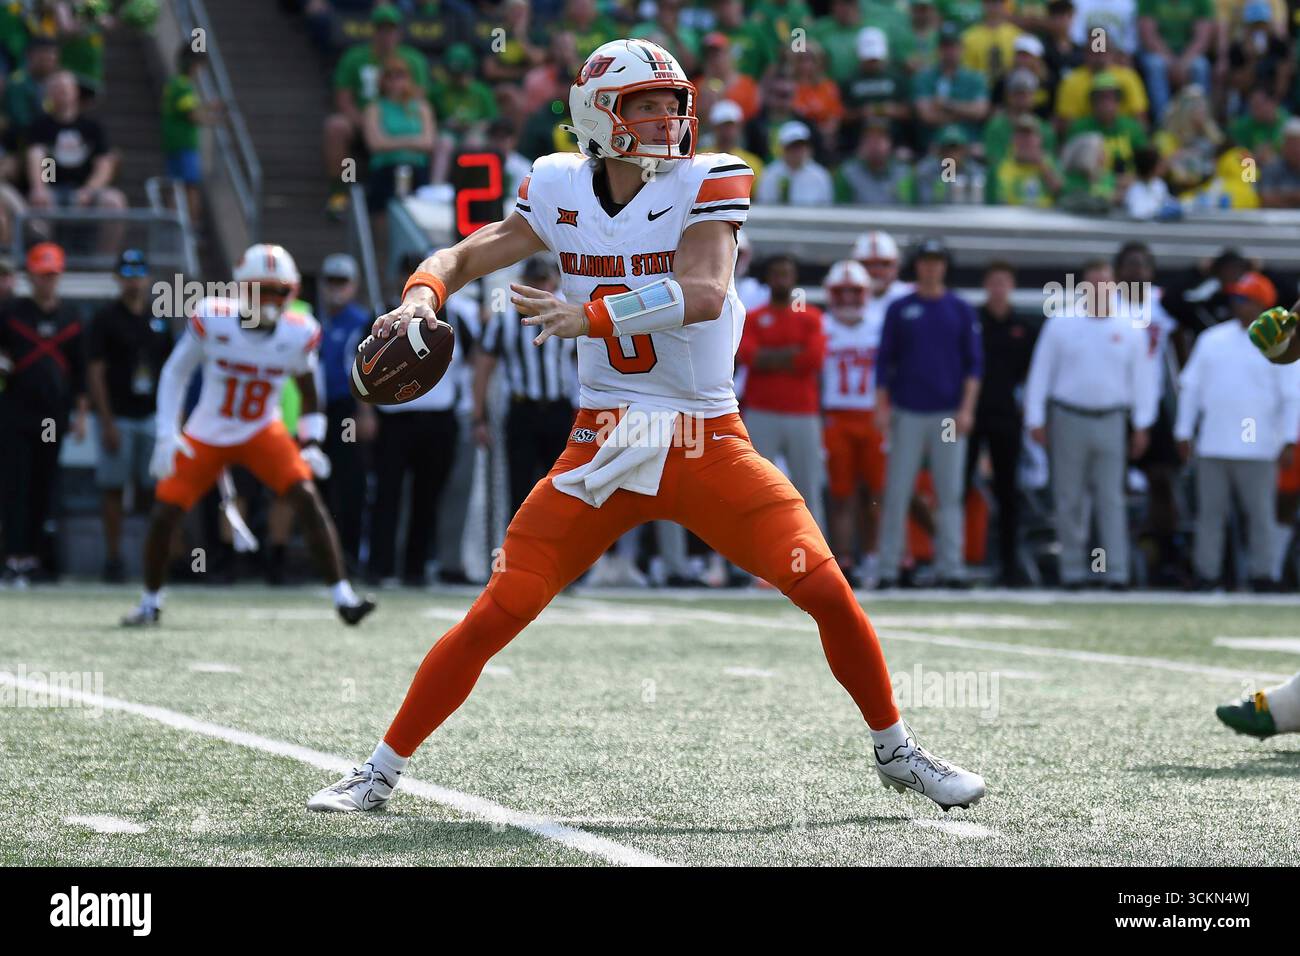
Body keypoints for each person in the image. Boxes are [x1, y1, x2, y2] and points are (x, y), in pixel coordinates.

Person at [307, 38, 985, 815]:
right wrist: (422, 296)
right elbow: (466, 255)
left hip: (705, 437)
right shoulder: (559, 184)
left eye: (675, 103)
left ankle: (896, 751)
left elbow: (703, 290)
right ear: (600, 114)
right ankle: (380, 772)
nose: (670, 118)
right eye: (649, 105)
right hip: (604, 442)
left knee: (825, 588)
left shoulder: (710, 178)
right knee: (504, 604)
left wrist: (590, 314)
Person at [121, 244, 375, 627]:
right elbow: (175, 373)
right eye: (262, 290)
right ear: (242, 288)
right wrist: (165, 433)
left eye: (279, 291)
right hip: (207, 431)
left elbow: (309, 391)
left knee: (306, 497)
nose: (271, 300)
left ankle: (344, 597)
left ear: (291, 293)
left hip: (261, 430)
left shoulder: (299, 331)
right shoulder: (213, 318)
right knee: (165, 510)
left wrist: (311, 443)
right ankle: (149, 601)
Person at [1023, 259, 1157, 589]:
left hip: (1112, 419)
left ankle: (1116, 572)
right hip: (1068, 416)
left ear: (1113, 287)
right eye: (1093, 283)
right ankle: (1072, 571)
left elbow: (1143, 380)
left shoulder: (1129, 327)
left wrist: (1142, 424)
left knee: (1111, 498)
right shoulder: (1062, 323)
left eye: (1104, 283)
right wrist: (1035, 418)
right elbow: (1040, 372)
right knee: (1069, 497)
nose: (1099, 289)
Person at [1176, 271, 1299, 590]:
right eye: (1235, 298)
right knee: (1210, 516)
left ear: (1262, 303)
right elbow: (1190, 387)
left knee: (1261, 516)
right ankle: (1207, 574)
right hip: (1214, 443)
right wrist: (1183, 431)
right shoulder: (1211, 339)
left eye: (1244, 299)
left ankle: (1264, 574)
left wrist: (1289, 439)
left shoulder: (1279, 340)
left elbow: (1291, 394)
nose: (1236, 304)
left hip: (1259, 446)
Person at [875, 239, 982, 588]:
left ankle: (951, 566)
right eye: (926, 261)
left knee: (949, 492)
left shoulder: (960, 310)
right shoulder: (900, 308)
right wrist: (882, 405)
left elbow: (974, 367)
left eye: (937, 261)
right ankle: (889, 567)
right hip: (908, 410)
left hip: (948, 414)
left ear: (945, 266)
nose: (931, 267)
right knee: (898, 490)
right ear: (917, 266)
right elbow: (883, 362)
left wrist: (966, 409)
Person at [0, 242, 87, 585]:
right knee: (14, 483)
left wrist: (80, 414)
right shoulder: (11, 312)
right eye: (40, 276)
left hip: (53, 415)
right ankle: (13, 557)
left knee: (44, 483)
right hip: (16, 411)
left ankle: (36, 557)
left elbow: (80, 370)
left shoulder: (72, 317)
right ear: (31, 277)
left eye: (51, 276)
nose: (46, 282)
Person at [86, 250, 172, 583]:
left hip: (151, 414)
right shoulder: (105, 318)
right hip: (119, 414)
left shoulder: (159, 318)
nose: (134, 281)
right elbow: (95, 372)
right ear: (118, 277)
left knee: (158, 490)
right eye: (128, 274)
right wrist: (106, 420)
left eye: (139, 274)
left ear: (147, 277)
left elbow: (170, 373)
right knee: (112, 487)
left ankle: (157, 557)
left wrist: (170, 420)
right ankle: (113, 558)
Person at [472, 255, 575, 515]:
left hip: (559, 410)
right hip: (523, 411)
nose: (540, 288)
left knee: (562, 488)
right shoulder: (505, 320)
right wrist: (478, 417)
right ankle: (521, 554)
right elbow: (483, 367)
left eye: (543, 280)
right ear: (522, 283)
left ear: (553, 282)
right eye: (534, 281)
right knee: (520, 491)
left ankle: (558, 553)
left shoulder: (569, 316)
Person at [737, 254, 829, 534]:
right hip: (762, 410)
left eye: (786, 273)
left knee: (808, 487)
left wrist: (770, 357)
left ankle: (816, 557)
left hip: (803, 413)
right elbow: (748, 356)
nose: (781, 279)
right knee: (754, 488)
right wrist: (790, 355)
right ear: (768, 278)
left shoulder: (811, 317)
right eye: (776, 274)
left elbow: (813, 360)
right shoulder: (753, 318)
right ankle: (750, 563)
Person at [819, 260, 886, 585]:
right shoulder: (820, 325)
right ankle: (843, 559)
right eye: (840, 292)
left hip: (872, 415)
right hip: (836, 415)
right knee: (841, 493)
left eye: (854, 291)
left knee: (875, 493)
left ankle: (873, 558)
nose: (847, 298)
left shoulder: (881, 325)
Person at [316, 253, 373, 570]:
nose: (336, 288)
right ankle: (324, 555)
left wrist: (365, 412)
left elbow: (367, 368)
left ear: (354, 285)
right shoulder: (313, 319)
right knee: (316, 482)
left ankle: (348, 553)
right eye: (331, 281)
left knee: (349, 481)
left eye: (342, 282)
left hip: (346, 410)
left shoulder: (362, 320)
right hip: (315, 411)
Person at [753, 120, 834, 205]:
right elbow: (764, 207)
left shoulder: (820, 176)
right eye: (792, 146)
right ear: (782, 148)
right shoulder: (769, 175)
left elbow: (826, 210)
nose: (797, 151)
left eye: (800, 146)